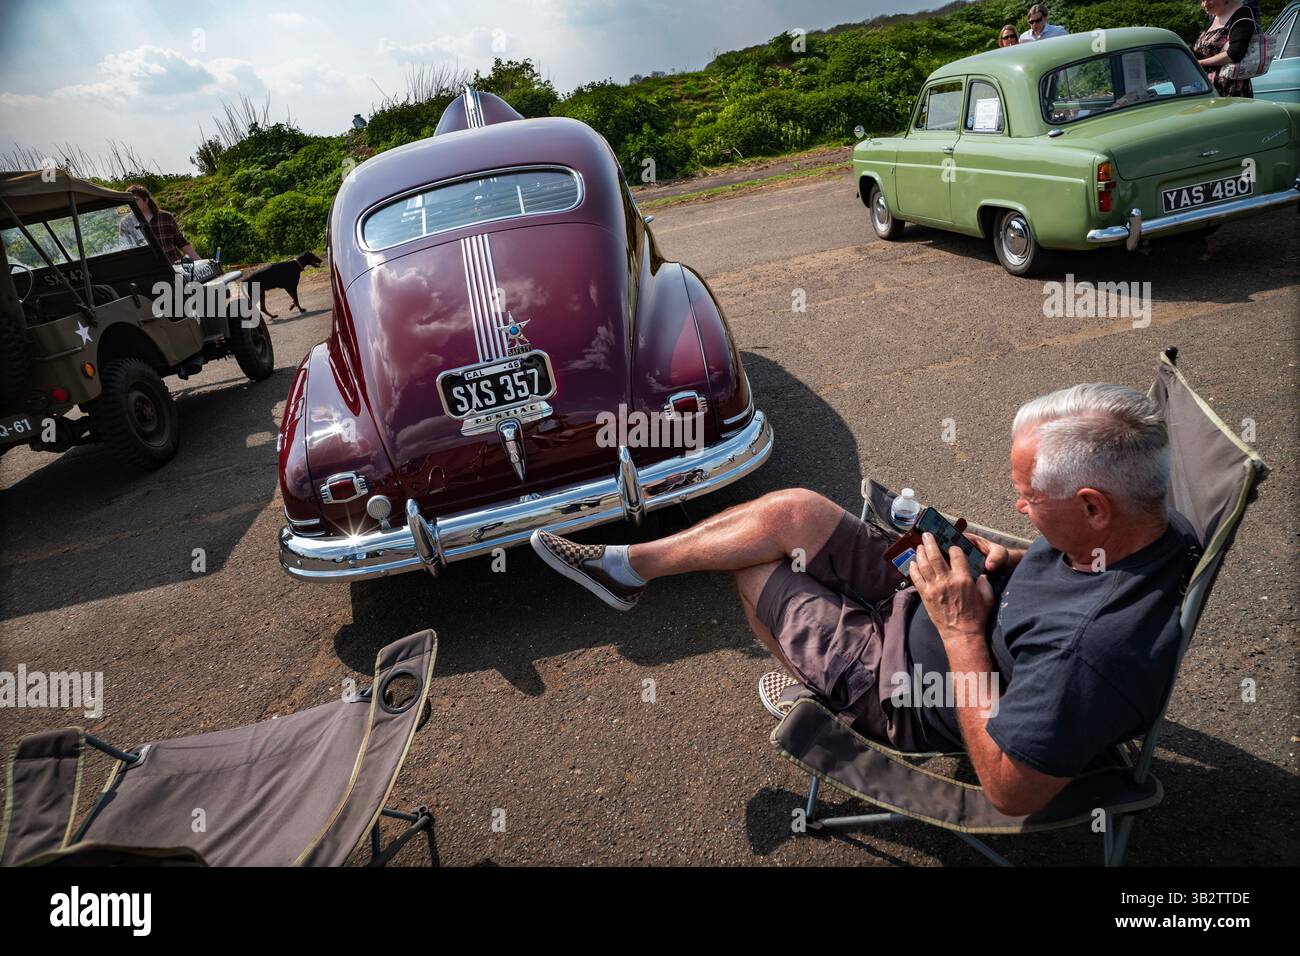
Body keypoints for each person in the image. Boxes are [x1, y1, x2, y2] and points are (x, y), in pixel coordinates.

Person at [530, 384, 1200, 816]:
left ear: (1092, 506)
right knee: (793, 511)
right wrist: (1014, 560)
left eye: (1028, 498)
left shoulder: (1093, 653)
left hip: (906, 685)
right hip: (947, 599)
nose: (1016, 505)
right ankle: (629, 567)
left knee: (758, 579)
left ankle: (832, 699)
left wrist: (961, 629)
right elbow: (1074, 572)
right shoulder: (1151, 527)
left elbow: (1009, 789)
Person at [1195, 0, 1258, 98]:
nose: (1204, 4)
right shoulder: (1215, 15)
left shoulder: (1242, 14)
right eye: (1202, 0)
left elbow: (1234, 54)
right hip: (1210, 88)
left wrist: (1199, 63)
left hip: (1230, 91)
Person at [125, 184, 200, 264]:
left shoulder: (165, 217)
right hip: (148, 271)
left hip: (176, 266)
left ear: (146, 200)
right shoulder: (126, 223)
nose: (132, 203)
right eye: (130, 201)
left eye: (136, 200)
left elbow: (181, 243)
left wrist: (201, 261)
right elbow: (126, 253)